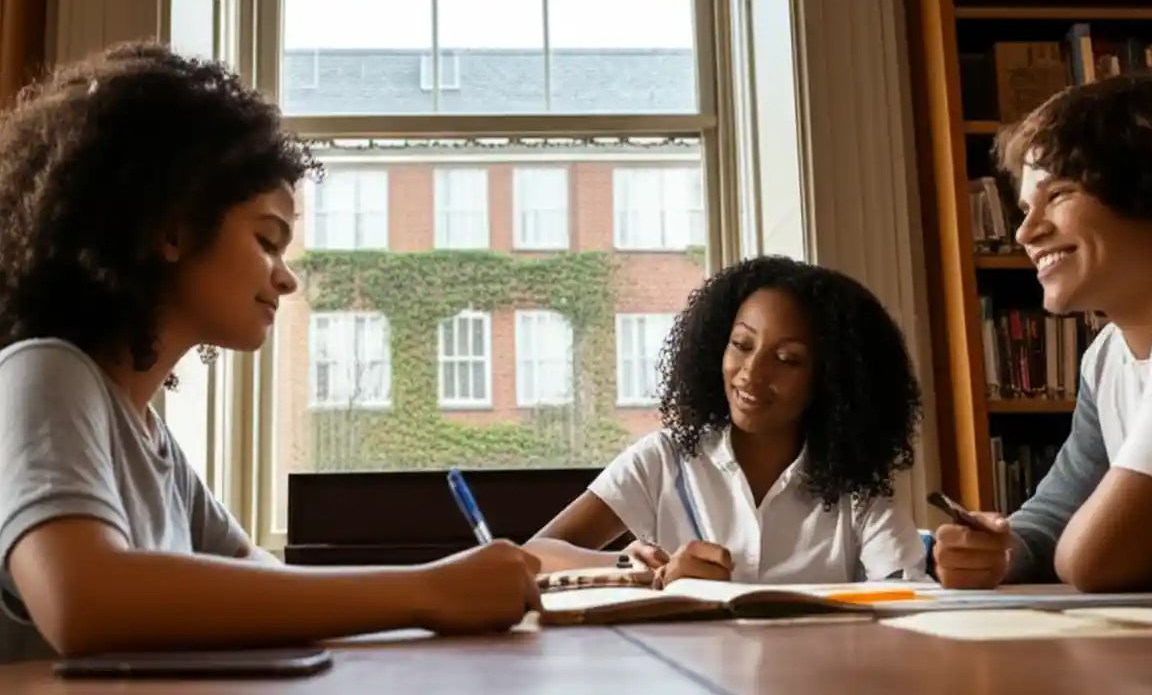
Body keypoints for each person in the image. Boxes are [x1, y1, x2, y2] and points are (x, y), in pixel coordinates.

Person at [0, 42, 540, 663]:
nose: (286, 278)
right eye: (268, 239)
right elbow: (82, 601)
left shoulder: (153, 445)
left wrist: (465, 577)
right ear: (171, 227)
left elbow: (266, 584)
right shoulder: (43, 371)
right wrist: (428, 590)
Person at [932, 73, 1152, 592]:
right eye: (1027, 207)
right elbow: (1056, 515)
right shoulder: (1106, 355)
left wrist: (1144, 561)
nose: (1027, 233)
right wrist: (1001, 552)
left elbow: (1098, 560)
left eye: (1060, 194)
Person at [526, 256, 927, 587]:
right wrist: (635, 569)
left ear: (832, 379)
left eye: (787, 359)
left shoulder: (855, 488)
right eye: (741, 345)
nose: (751, 373)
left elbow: (909, 593)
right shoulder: (664, 459)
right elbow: (532, 555)